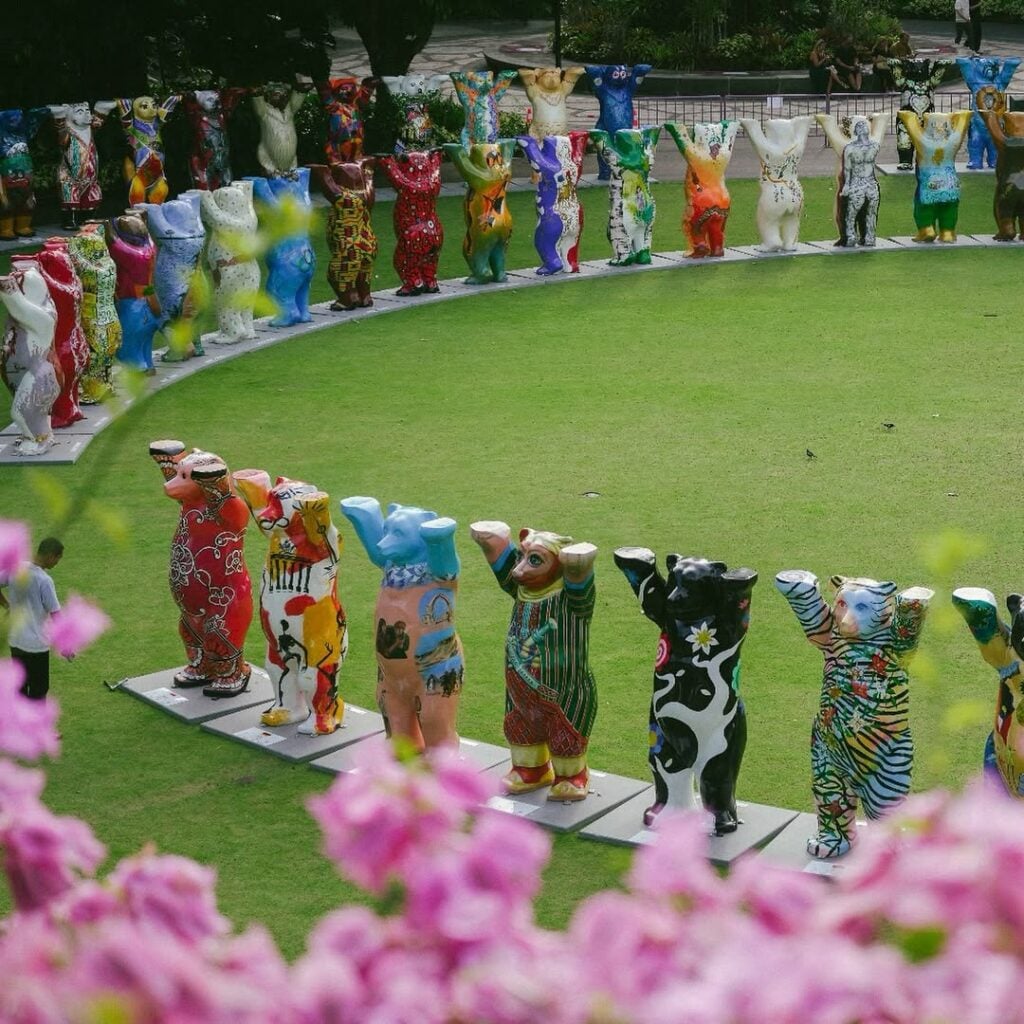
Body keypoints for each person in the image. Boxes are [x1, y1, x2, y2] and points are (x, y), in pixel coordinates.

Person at [0, 537, 66, 700]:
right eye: (57, 558)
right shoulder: (45, 580)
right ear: (51, 556)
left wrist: (7, 605)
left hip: (15, 640)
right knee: (39, 690)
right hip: (36, 646)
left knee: (20, 688)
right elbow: (55, 613)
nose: (57, 563)